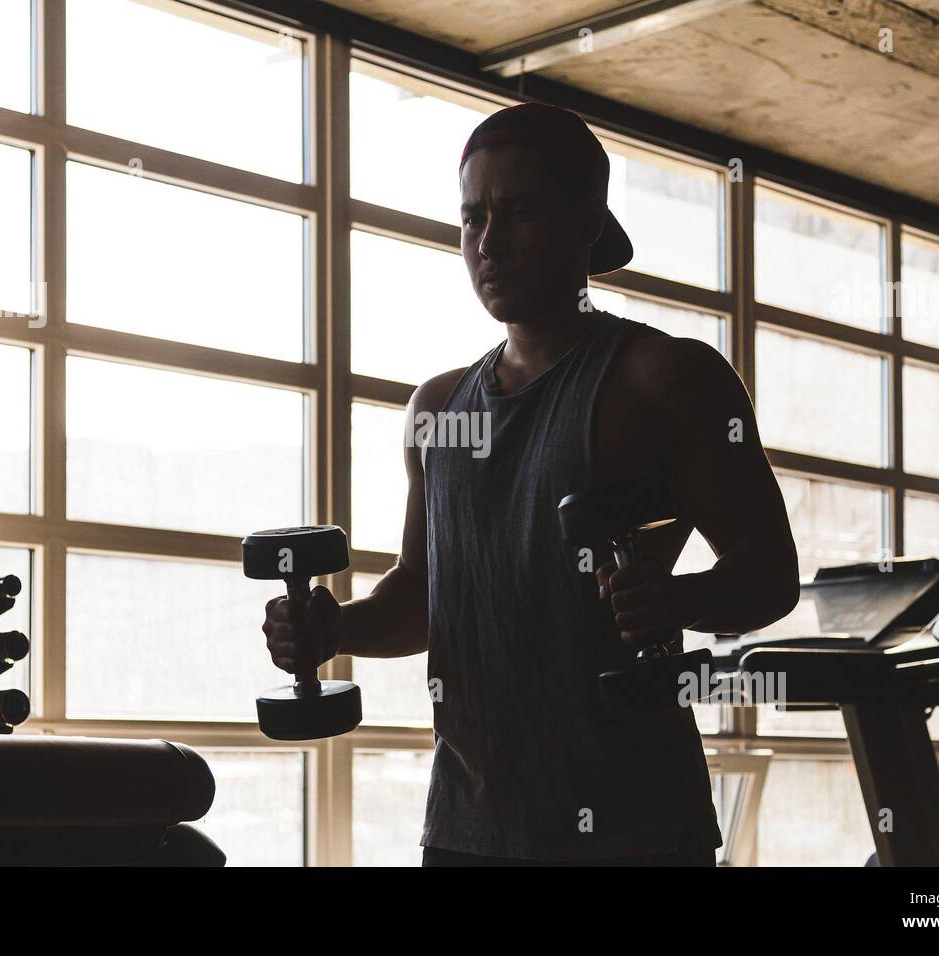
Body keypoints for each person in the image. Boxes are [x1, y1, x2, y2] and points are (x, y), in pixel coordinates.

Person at [263, 102, 799, 866]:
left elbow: (771, 574)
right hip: (466, 831)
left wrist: (678, 600)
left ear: (586, 224)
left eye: (520, 214)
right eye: (472, 218)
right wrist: (333, 629)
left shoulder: (667, 379)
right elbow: (422, 593)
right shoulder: (437, 410)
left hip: (633, 830)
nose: (489, 243)